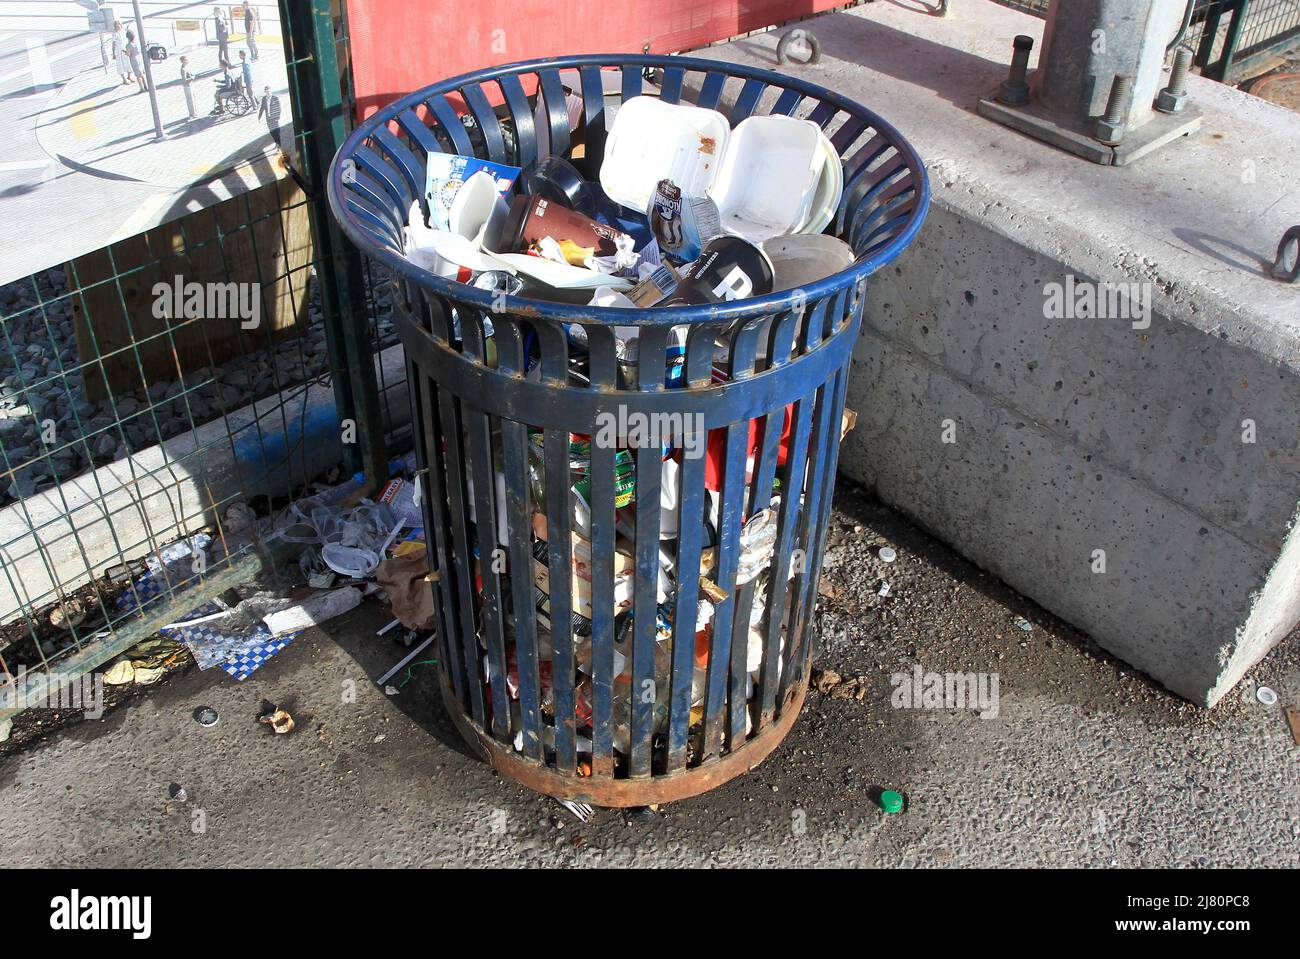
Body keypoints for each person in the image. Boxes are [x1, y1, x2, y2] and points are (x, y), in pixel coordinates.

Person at [111, 21, 131, 86]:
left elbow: (128, 40)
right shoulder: (114, 34)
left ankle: (129, 76)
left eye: (118, 25)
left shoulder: (124, 32)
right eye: (116, 26)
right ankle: (124, 79)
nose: (117, 27)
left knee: (128, 62)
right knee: (120, 65)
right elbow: (113, 44)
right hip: (118, 51)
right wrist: (113, 53)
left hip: (125, 49)